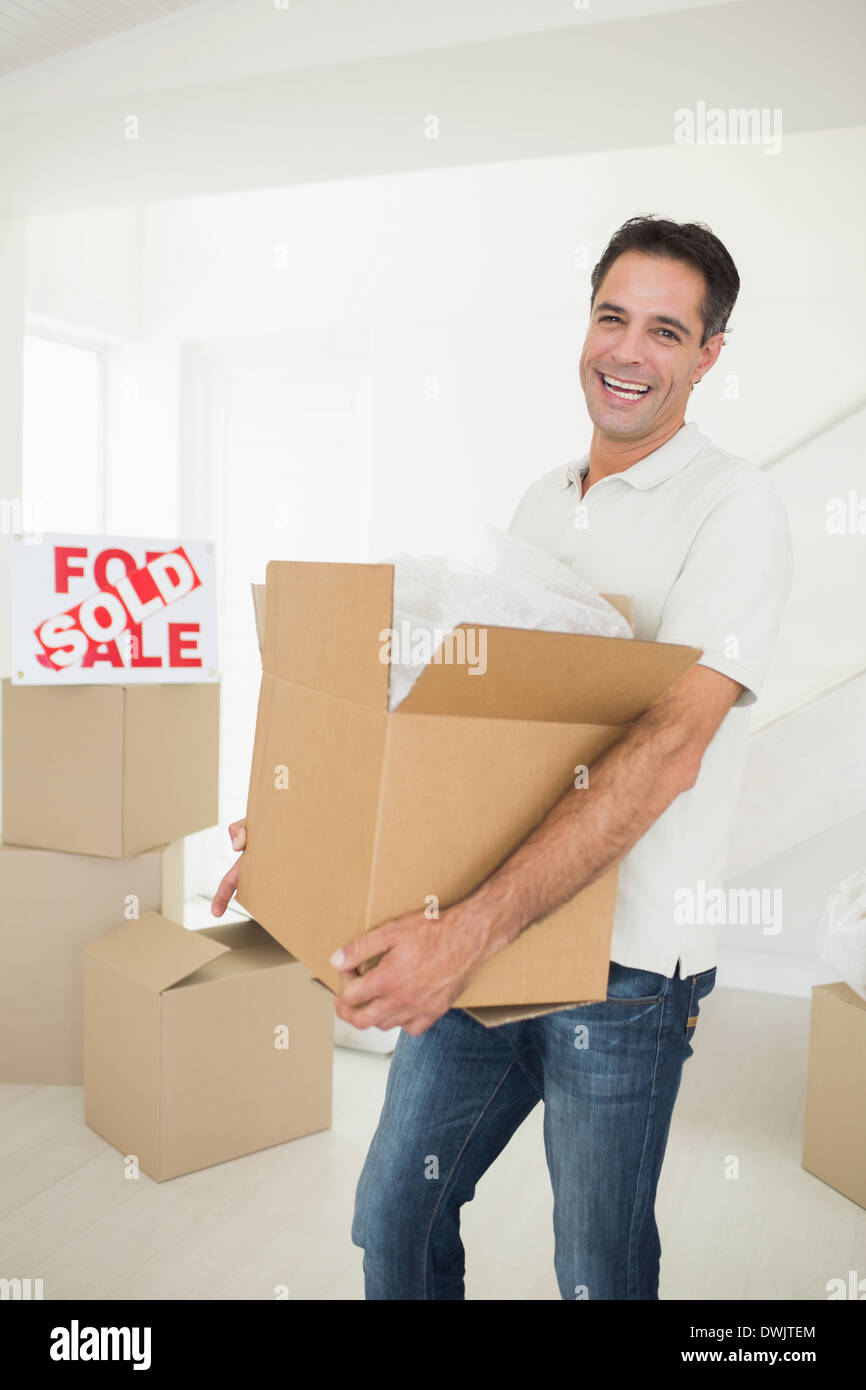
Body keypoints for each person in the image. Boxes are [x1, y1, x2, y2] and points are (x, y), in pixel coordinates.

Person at [212, 215, 793, 1300]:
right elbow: (464, 738)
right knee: (395, 1209)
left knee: (595, 1265)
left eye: (665, 331)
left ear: (707, 355)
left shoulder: (733, 508)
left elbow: (669, 747)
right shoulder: (541, 501)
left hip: (619, 971)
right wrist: (309, 838)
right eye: (610, 316)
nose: (626, 351)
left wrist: (465, 929)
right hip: (481, 933)